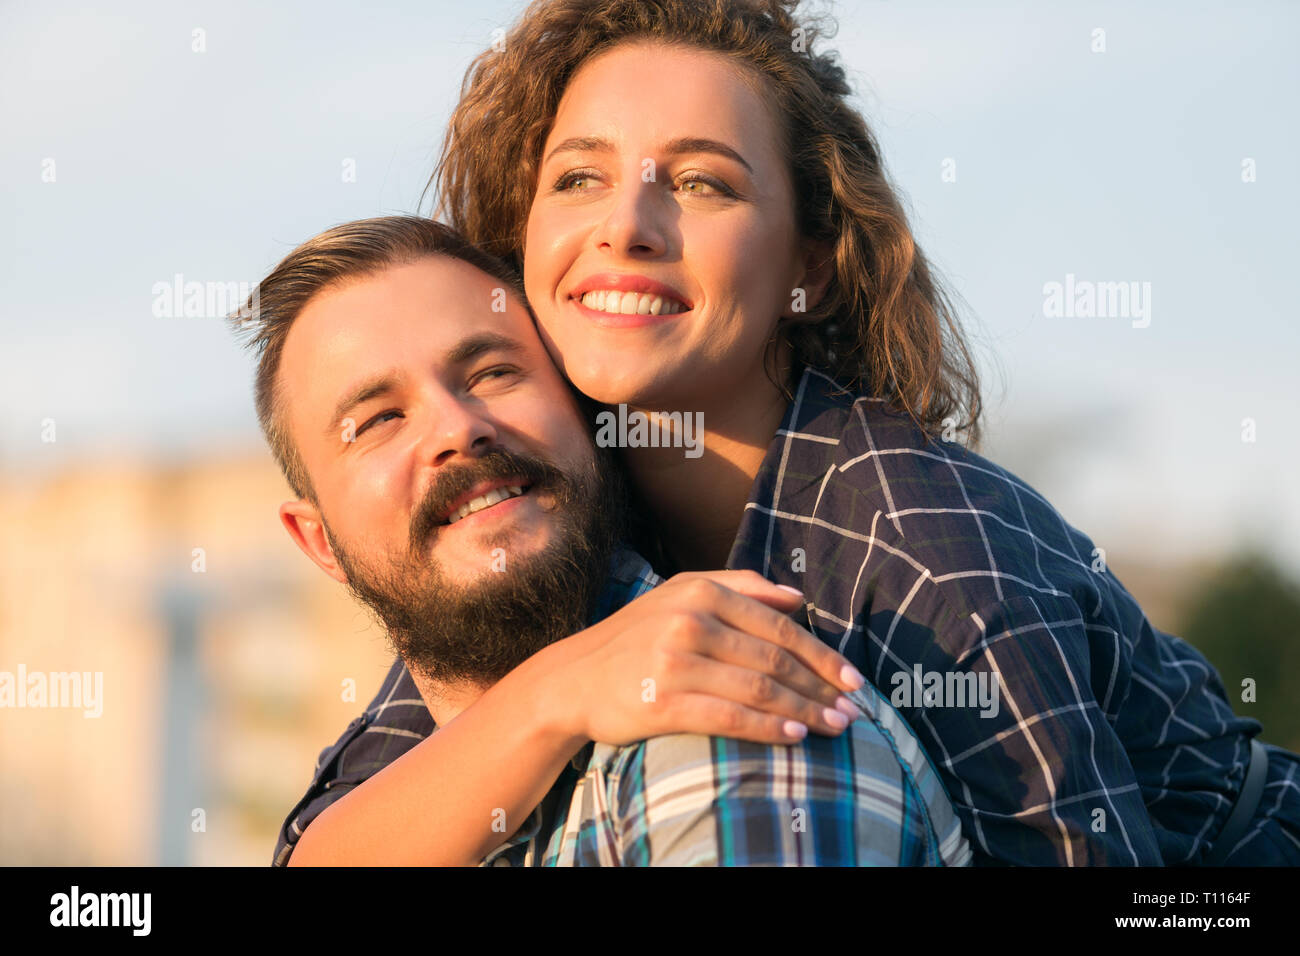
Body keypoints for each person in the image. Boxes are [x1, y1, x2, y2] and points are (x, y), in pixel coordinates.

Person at [283, 0, 1300, 866]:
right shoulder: (540, 491)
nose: (625, 223)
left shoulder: (922, 547)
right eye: (578, 178)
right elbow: (343, 835)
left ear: (807, 266)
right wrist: (558, 686)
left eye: (701, 182)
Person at [236, 215, 970, 866]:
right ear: (318, 541)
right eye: (378, 419)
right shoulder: (399, 777)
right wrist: (552, 695)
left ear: (586, 416)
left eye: (493, 372)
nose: (458, 428)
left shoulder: (720, 717)